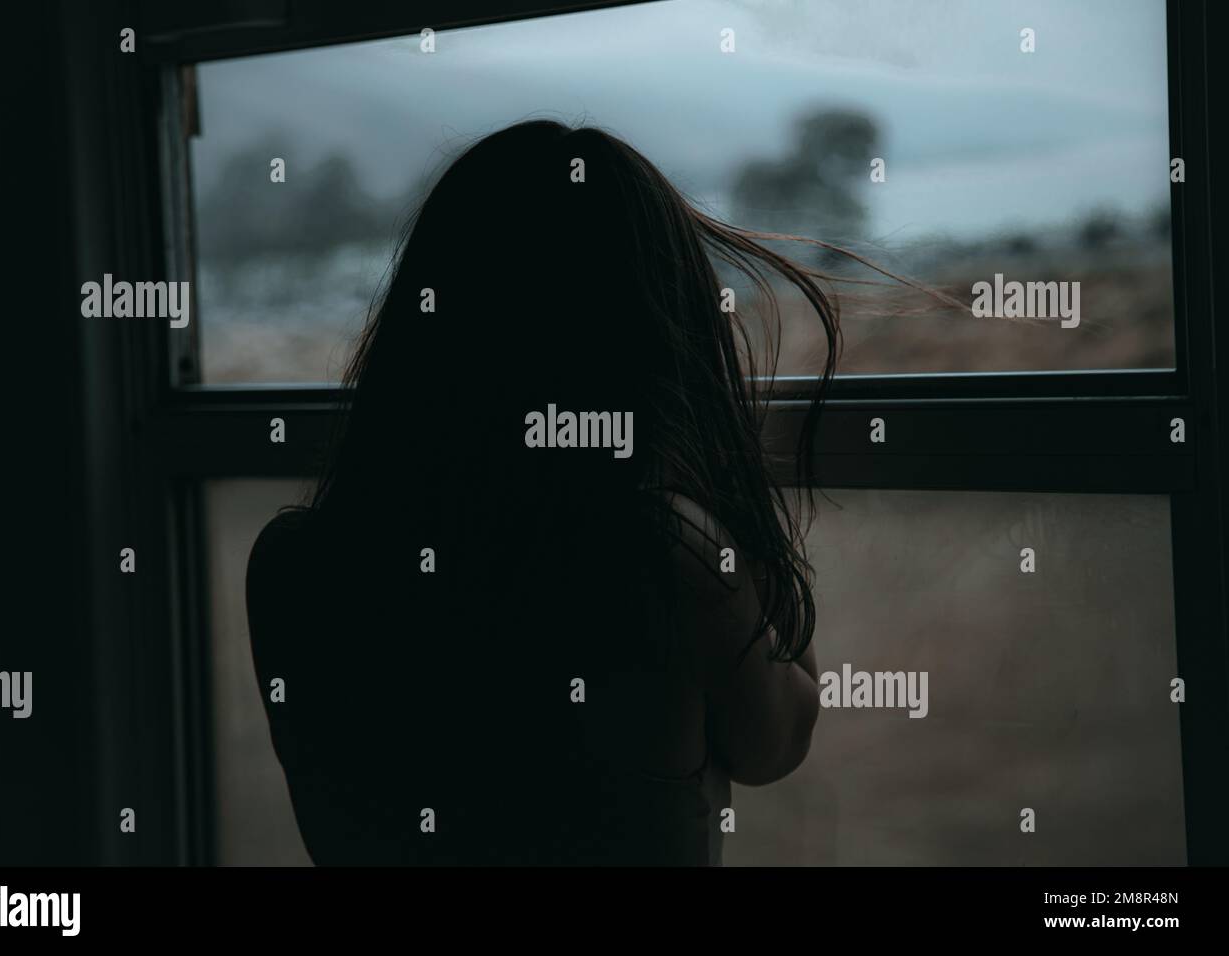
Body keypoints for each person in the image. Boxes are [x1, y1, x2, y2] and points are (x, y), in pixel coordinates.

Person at [246, 119, 835, 865]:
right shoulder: (667, 555)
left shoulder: (294, 566)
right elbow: (779, 742)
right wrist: (731, 495)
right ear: (657, 339)